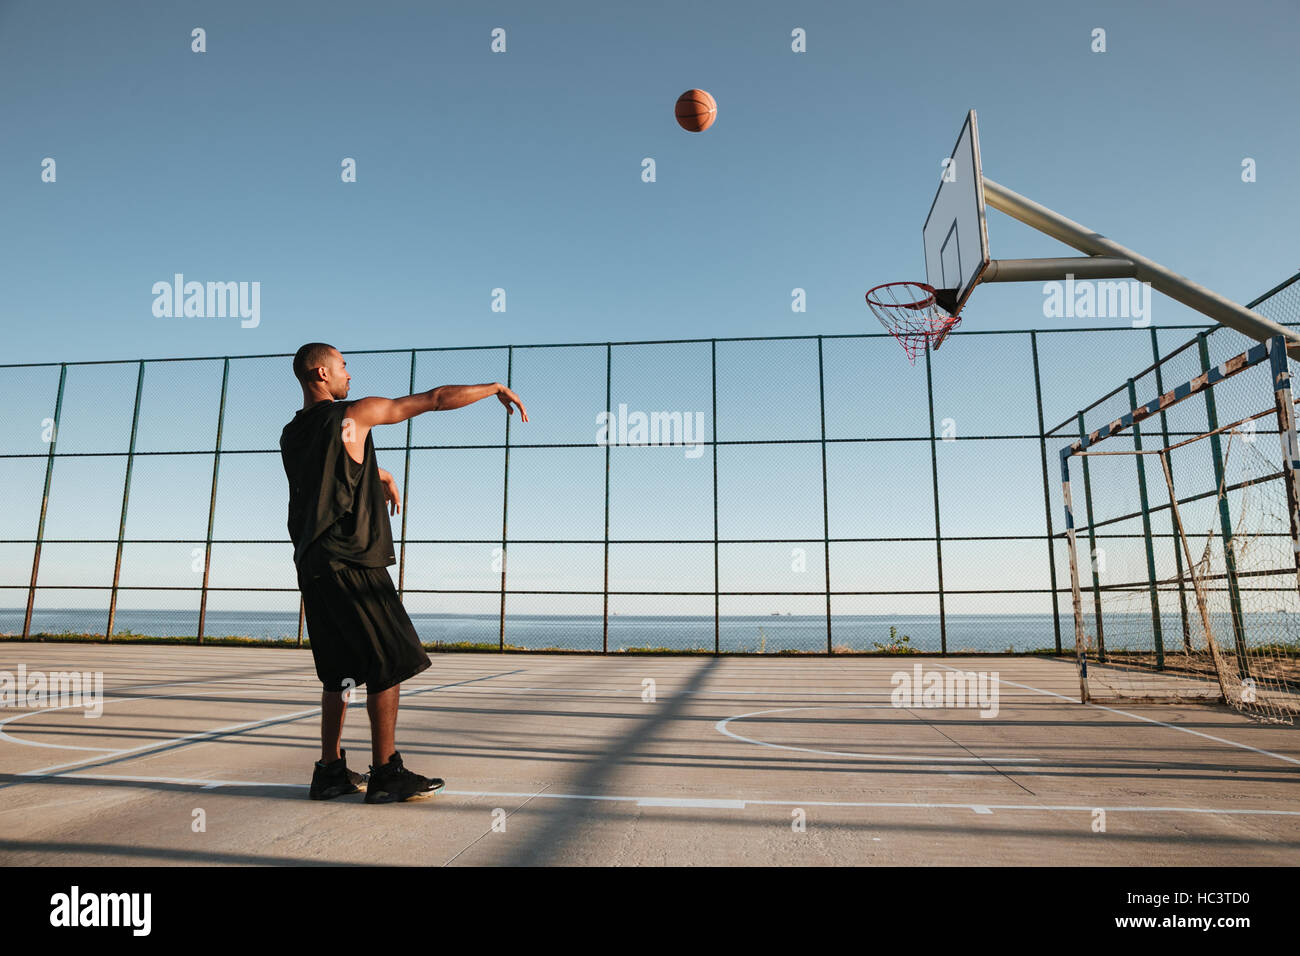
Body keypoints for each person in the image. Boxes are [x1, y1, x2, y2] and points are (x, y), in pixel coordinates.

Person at [280, 343, 528, 803]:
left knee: (338, 673)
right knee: (387, 663)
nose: (349, 374)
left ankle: (330, 770)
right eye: (343, 365)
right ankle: (386, 773)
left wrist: (380, 475)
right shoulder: (352, 414)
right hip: (354, 562)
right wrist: (493, 386)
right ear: (321, 372)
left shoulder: (292, 434)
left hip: (313, 567)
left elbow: (331, 478)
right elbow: (430, 400)